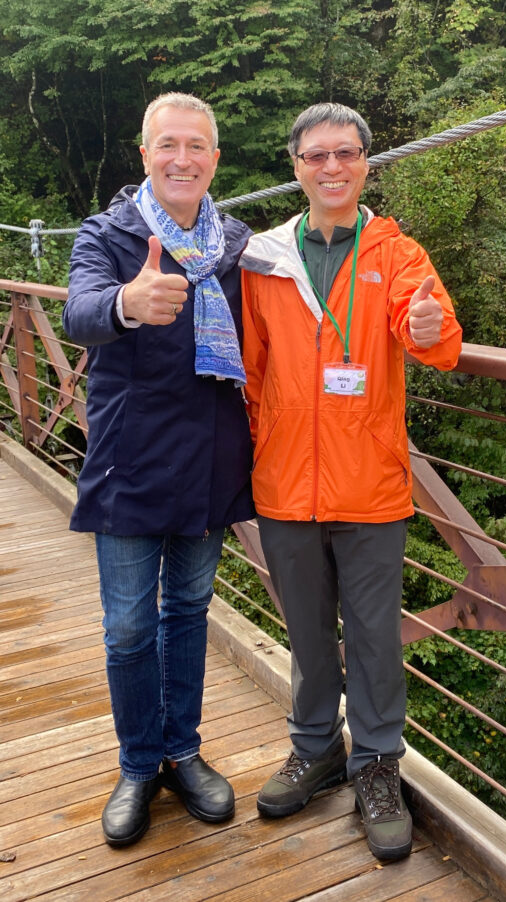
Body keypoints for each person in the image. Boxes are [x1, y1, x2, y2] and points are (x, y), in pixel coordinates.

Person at [240, 102, 462, 861]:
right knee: (306, 634)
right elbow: (251, 370)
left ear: (367, 162)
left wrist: (430, 330)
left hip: (368, 486)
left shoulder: (396, 254)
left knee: (372, 637)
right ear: (296, 166)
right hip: (285, 487)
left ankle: (376, 766)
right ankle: (315, 748)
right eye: (316, 156)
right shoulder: (264, 260)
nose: (331, 168)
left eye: (346, 153)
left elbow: (431, 332)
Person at [63, 93, 254, 847]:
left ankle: (183, 751)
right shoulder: (108, 234)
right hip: (129, 460)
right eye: (168, 144)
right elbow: (79, 313)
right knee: (128, 626)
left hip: (211, 458)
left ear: (214, 159)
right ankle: (139, 763)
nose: (183, 158)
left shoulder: (239, 244)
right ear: (144, 154)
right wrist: (127, 302)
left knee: (190, 611)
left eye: (197, 146)